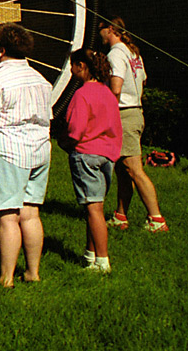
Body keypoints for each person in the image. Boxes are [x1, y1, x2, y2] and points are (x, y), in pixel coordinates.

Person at [0, 23, 51, 288]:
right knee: (30, 214)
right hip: (39, 150)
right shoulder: (41, 80)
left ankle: (6, 278)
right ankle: (33, 272)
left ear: (1, 49)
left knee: (7, 218)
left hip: (7, 151)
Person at [100, 17, 168, 232]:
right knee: (123, 169)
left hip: (123, 114)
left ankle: (156, 219)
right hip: (135, 111)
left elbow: (116, 87)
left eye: (101, 29)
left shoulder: (115, 54)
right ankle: (121, 216)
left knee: (134, 169)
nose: (99, 33)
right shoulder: (133, 53)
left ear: (110, 29)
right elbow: (143, 80)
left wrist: (102, 110)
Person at [59, 48, 122, 274]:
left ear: (81, 66)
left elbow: (75, 130)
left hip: (86, 154)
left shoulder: (81, 94)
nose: (71, 70)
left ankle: (102, 262)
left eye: (72, 65)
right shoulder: (108, 93)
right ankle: (90, 256)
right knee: (95, 207)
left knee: (93, 210)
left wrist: (63, 143)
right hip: (107, 155)